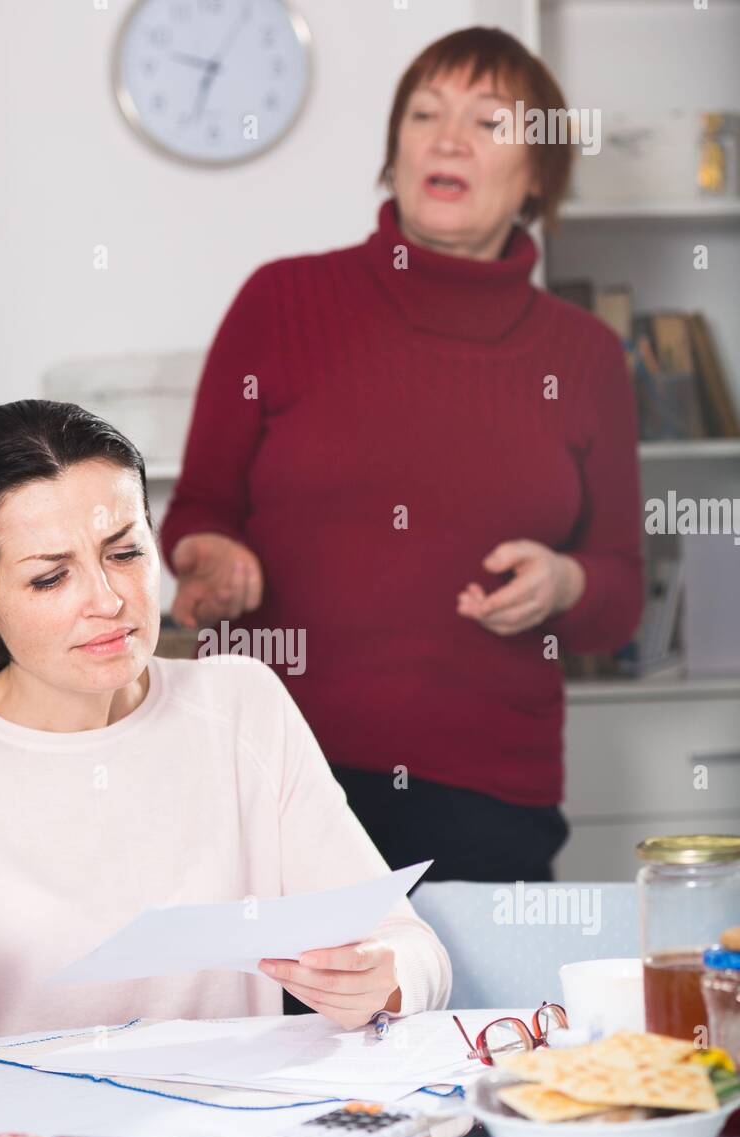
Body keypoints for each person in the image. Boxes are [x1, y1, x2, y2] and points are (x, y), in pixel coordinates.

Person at [0, 401, 451, 1047]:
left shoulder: (240, 704)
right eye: (51, 578)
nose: (108, 602)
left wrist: (381, 980)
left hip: (213, 1135)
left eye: (125, 553)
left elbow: (410, 949)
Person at [161, 26, 643, 885]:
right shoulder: (282, 301)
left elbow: (619, 593)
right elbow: (199, 510)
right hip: (275, 779)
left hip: (486, 799)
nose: (448, 138)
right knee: (272, 1022)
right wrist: (213, 558)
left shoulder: (585, 355)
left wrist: (566, 584)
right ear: (395, 153)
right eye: (424, 114)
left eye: (489, 122)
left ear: (539, 175)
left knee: (482, 1027)